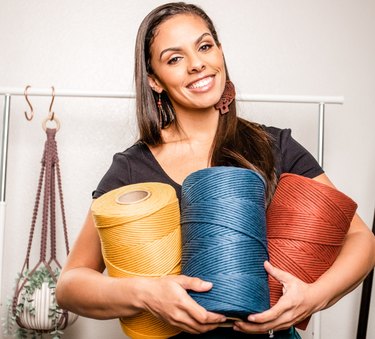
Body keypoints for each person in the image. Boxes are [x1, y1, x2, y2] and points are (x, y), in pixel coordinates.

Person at [56, 2, 375, 338]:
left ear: (220, 53)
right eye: (174, 58)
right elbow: (71, 283)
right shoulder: (133, 167)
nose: (197, 64)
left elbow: (361, 239)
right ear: (154, 80)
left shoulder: (274, 145)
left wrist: (312, 298)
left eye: (205, 46)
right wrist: (146, 294)